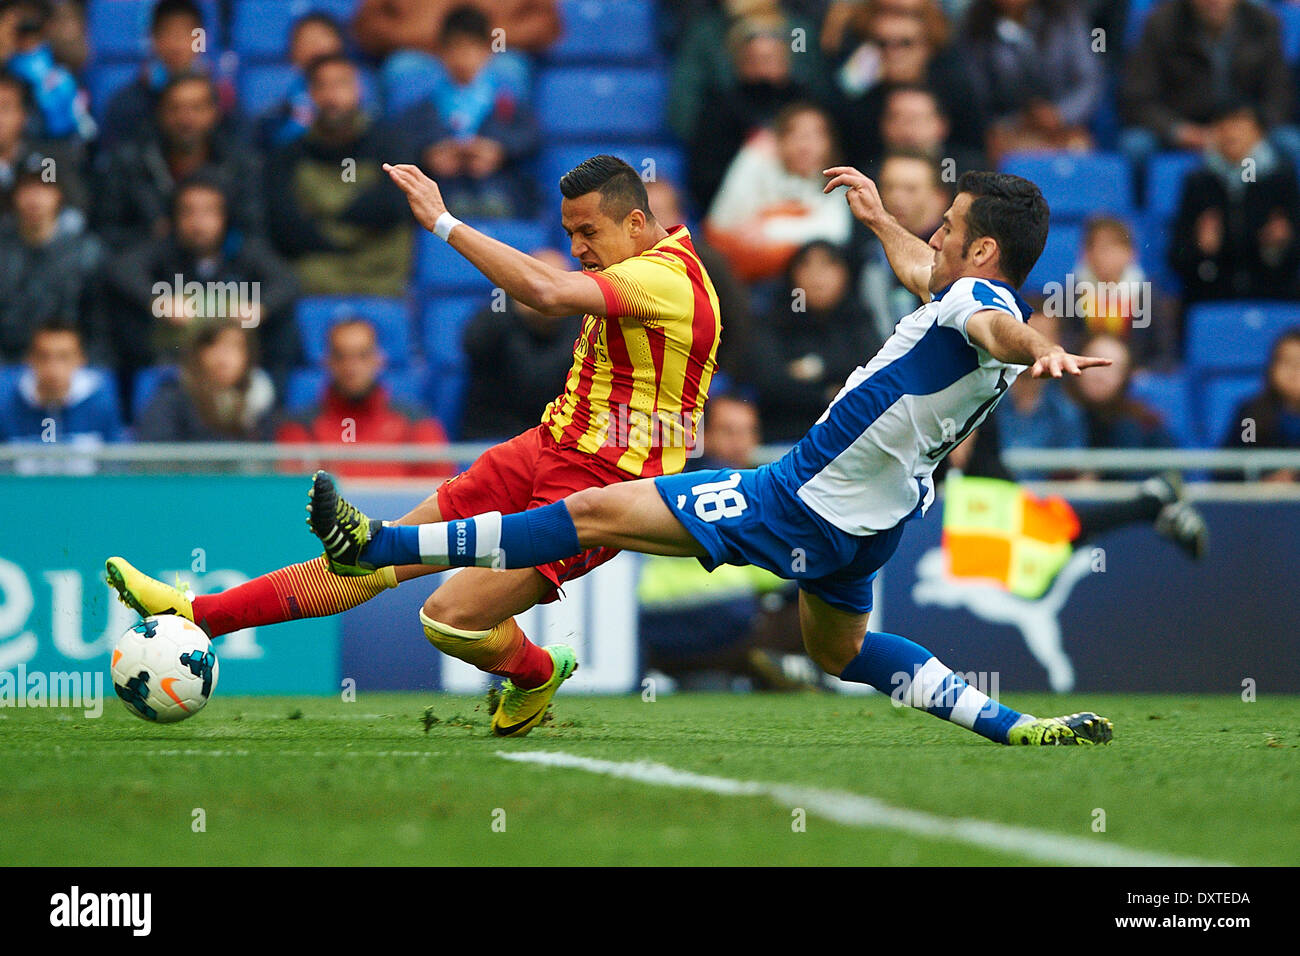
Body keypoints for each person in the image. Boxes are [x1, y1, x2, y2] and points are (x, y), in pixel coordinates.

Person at [309, 167, 1121, 746]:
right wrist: (878, 221)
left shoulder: (986, 310)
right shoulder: (962, 294)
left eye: (950, 225)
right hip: (872, 522)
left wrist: (1040, 345)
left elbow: (996, 324)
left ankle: (381, 545)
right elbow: (932, 278)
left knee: (593, 514)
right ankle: (1015, 726)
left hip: (797, 497)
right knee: (841, 651)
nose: (935, 233)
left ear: (982, 254)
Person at [106, 154, 721, 739]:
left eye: (588, 232)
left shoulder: (666, 280)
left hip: (601, 490)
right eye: (569, 232)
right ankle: (200, 614)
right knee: (369, 558)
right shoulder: (628, 268)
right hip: (544, 446)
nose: (577, 249)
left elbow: (545, 293)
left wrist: (444, 222)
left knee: (445, 617)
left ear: (637, 223)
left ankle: (536, 671)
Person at [97, 174, 298, 414]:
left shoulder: (245, 250)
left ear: (225, 216)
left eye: (209, 212)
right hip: (175, 365)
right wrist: (158, 301)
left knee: (285, 323)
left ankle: (279, 413)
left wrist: (259, 307)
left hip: (238, 369)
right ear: (175, 218)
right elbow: (120, 269)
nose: (198, 222)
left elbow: (288, 281)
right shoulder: (164, 249)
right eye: (188, 212)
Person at [264, 53, 415, 296]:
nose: (332, 95)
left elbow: (394, 204)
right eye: (322, 86)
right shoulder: (288, 155)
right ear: (311, 94)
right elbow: (286, 226)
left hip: (381, 271)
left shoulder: (390, 143)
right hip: (316, 272)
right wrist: (345, 234)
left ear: (358, 89)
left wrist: (331, 217)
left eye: (341, 84)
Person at [94, 73, 263, 250]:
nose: (185, 119)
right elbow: (106, 231)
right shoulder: (129, 163)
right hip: (148, 267)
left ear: (214, 113)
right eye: (175, 108)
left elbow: (254, 233)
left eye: (196, 108)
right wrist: (157, 238)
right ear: (160, 113)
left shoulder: (240, 165)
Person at [400, 5, 539, 219]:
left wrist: (499, 151)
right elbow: (403, 142)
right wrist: (429, 155)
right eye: (454, 48)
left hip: (498, 188)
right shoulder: (423, 107)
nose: (463, 58)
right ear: (440, 53)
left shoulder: (507, 103)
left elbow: (531, 137)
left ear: (488, 52)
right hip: (444, 189)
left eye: (472, 47)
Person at [277, 316, 454, 480]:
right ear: (327, 361)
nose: (351, 367)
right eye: (341, 356)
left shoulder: (418, 425)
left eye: (363, 355)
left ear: (379, 359)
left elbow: (439, 497)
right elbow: (292, 499)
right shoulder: (299, 428)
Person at [704, 101, 853, 282]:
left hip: (798, 283)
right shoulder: (758, 168)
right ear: (778, 141)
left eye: (815, 136)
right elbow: (722, 225)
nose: (805, 145)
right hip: (744, 275)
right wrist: (750, 157)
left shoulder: (835, 184)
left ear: (829, 144)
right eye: (796, 135)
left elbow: (836, 231)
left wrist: (771, 227)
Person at [748, 239, 882, 440]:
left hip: (851, 436)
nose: (817, 276)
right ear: (792, 274)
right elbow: (770, 383)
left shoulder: (859, 320)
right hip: (784, 437)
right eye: (806, 265)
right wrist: (830, 393)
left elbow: (873, 374)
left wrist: (814, 370)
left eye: (828, 264)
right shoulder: (776, 320)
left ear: (845, 274)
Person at [1169, 101, 1300, 304]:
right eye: (1222, 125)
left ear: (1259, 133)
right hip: (1213, 298)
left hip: (1274, 297)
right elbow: (1176, 255)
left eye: (1239, 124)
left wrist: (1278, 248)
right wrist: (1202, 250)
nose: (1230, 132)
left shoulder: (1281, 179)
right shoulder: (1198, 182)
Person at [460, 248, 583, 441]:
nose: (546, 293)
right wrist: (518, 303)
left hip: (556, 439)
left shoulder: (584, 326)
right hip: (492, 436)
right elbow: (472, 343)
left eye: (556, 283)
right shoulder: (498, 310)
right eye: (538, 282)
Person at [958, 0, 1100, 163]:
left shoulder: (1065, 17)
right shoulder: (975, 26)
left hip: (1063, 124)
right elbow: (977, 94)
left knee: (1078, 148)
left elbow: (1089, 80)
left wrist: (1060, 115)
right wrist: (1013, 122)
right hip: (1011, 125)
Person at [0, 159, 101, 362]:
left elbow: (98, 325)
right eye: (27, 188)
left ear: (59, 194)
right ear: (14, 196)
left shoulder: (86, 252)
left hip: (67, 363)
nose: (34, 198)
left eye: (44, 188)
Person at [0, 318, 123, 474]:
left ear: (80, 359)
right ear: (30, 359)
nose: (53, 368)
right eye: (44, 356)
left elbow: (117, 469)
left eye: (63, 356)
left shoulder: (100, 405)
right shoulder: (6, 407)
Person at [133, 317, 275, 443]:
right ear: (197, 353)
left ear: (248, 356)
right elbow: (154, 459)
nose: (224, 356)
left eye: (234, 346)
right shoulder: (172, 398)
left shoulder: (259, 401)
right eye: (214, 345)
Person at [254, 12, 347, 150]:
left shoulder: (352, 86)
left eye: (322, 36)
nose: (316, 45)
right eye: (308, 39)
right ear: (293, 48)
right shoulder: (281, 91)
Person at [1220, 327, 1300, 480]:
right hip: (1258, 499)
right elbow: (1232, 465)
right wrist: (1266, 481)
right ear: (1272, 368)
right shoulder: (1251, 416)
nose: (1294, 372)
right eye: (1287, 362)